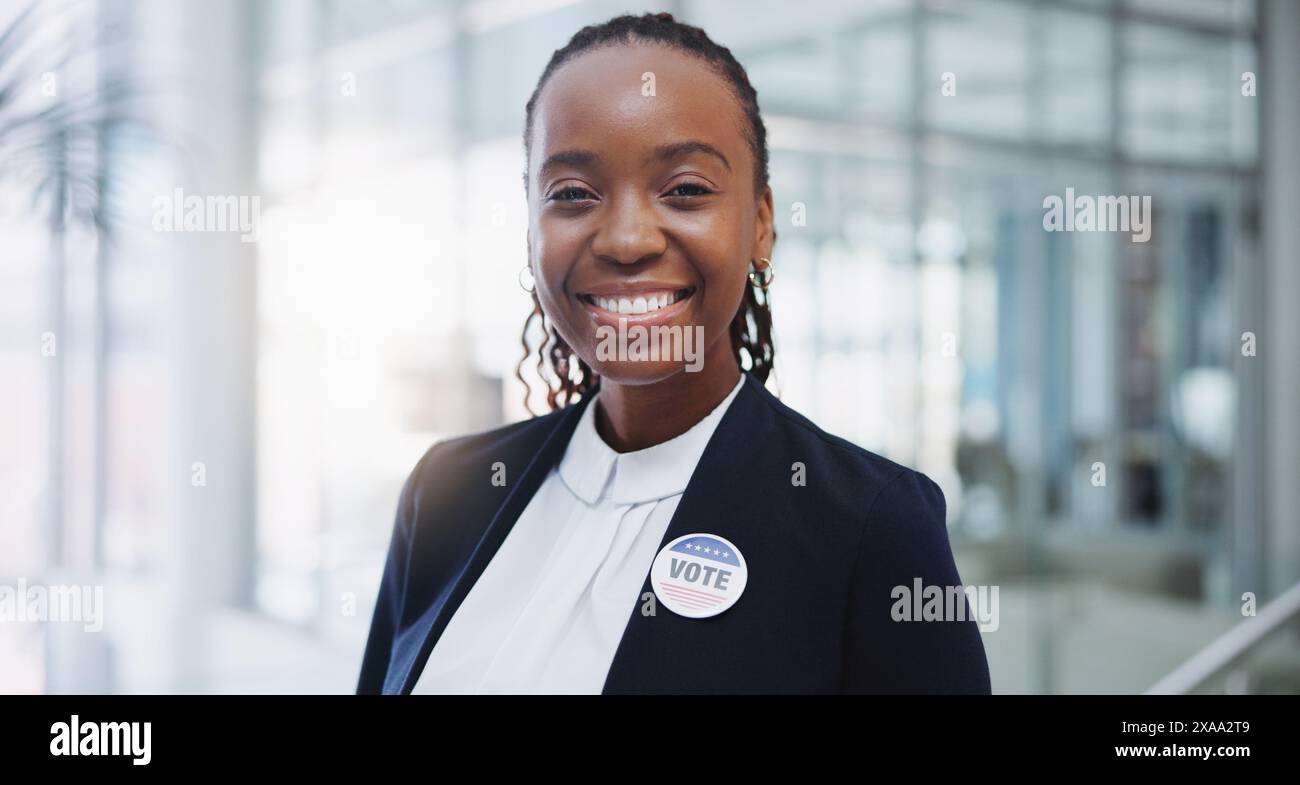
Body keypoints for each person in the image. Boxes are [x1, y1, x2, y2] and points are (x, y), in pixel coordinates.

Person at [357, 12, 991, 694]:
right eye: (572, 194)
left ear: (761, 224)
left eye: (685, 189)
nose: (627, 239)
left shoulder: (872, 527)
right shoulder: (447, 491)